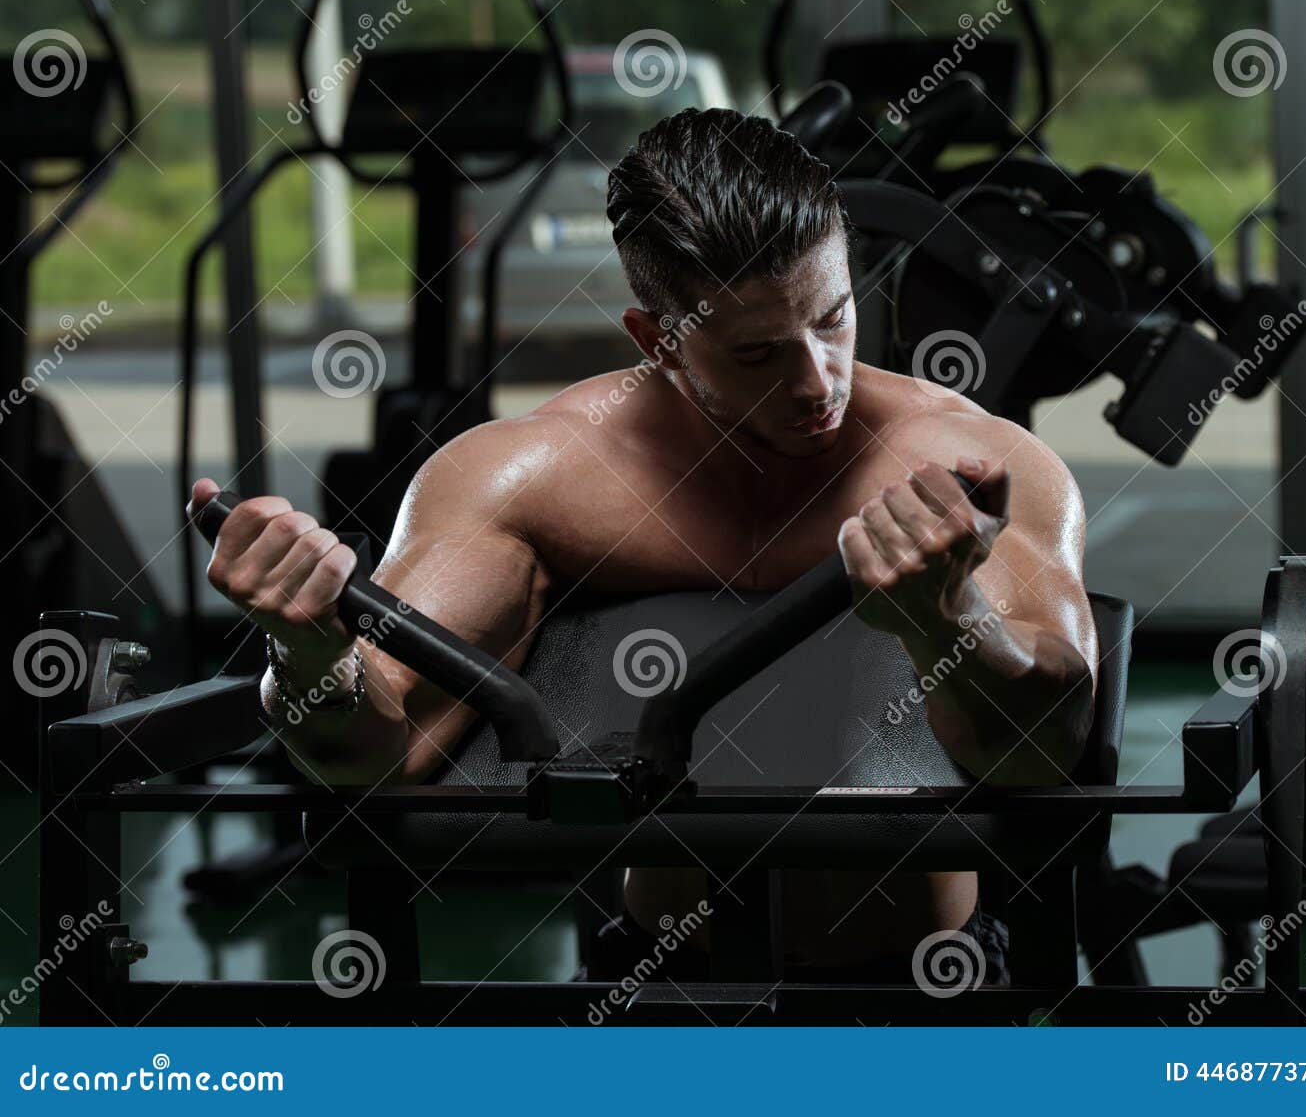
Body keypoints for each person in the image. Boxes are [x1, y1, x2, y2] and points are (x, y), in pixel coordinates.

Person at [189, 107, 1097, 984]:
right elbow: (376, 750)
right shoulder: (538, 479)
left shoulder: (966, 463)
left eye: (832, 319)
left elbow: (1044, 746)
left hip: (926, 990)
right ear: (659, 340)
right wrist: (307, 651)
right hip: (655, 988)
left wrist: (952, 620)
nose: (816, 381)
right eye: (756, 354)